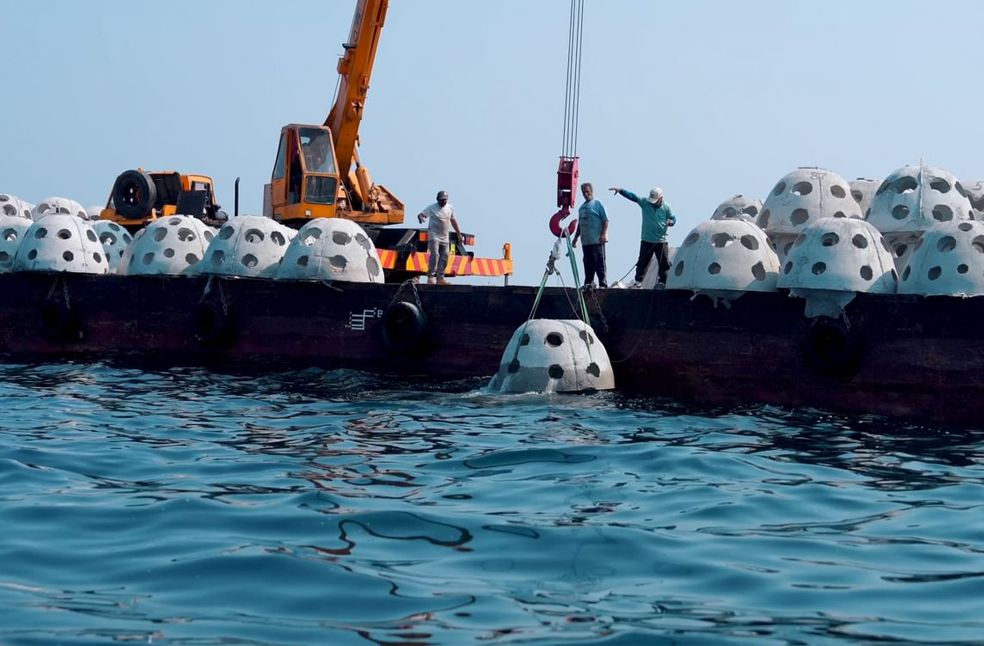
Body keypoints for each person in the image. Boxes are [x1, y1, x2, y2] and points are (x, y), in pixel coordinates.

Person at [609, 185, 676, 287]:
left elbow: (673, 219)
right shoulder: (645, 202)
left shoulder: (667, 207)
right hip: (647, 240)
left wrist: (671, 222)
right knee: (642, 261)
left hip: (661, 241)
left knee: (664, 263)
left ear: (661, 198)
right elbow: (633, 197)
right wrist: (621, 191)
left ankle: (663, 282)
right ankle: (638, 281)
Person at [417, 190, 463, 285]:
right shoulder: (432, 208)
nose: (443, 202)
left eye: (445, 200)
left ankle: (440, 278)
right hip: (434, 236)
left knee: (445, 255)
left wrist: (459, 233)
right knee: (435, 255)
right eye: (442, 200)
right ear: (437, 199)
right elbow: (422, 214)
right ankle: (430, 277)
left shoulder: (450, 208)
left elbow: (453, 221)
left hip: (445, 237)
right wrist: (421, 217)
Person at [572, 182, 608, 288]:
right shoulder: (581, 208)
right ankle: (589, 282)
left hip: (596, 240)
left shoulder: (598, 204)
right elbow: (580, 224)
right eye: (584, 192)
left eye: (587, 192)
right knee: (587, 263)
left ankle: (603, 283)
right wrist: (575, 238)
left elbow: (605, 220)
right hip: (586, 241)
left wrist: (603, 234)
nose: (585, 194)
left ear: (591, 191)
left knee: (599, 262)